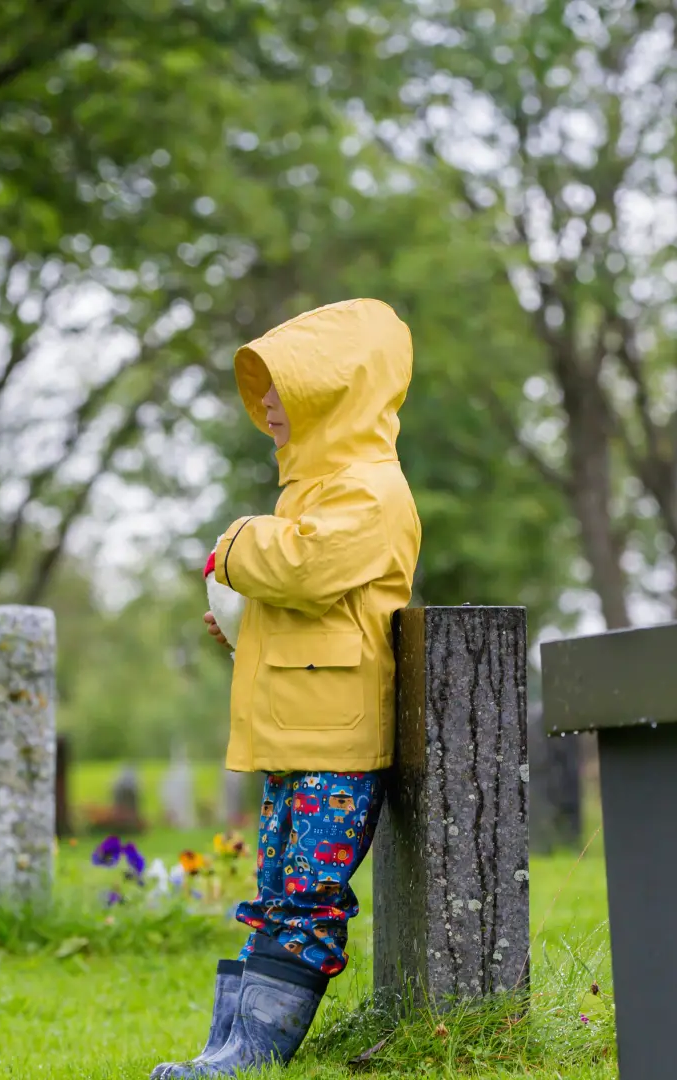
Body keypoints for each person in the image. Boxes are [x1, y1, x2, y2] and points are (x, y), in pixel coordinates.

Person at [152, 298, 421, 1079]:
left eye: (284, 388)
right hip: (301, 728)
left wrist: (233, 544)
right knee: (274, 885)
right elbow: (323, 608)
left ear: (336, 394)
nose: (266, 403)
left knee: (308, 892)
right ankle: (229, 1047)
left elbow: (305, 568)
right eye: (265, 388)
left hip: (337, 740)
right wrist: (245, 627)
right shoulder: (317, 490)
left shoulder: (371, 491)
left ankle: (253, 1055)